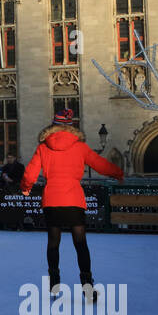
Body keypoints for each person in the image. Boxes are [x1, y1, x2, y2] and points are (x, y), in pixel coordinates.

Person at [21, 109, 123, 299]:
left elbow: (30, 172)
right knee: (80, 243)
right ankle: (87, 285)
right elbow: (100, 164)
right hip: (74, 200)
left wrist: (26, 187)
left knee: (53, 242)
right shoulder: (80, 147)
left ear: (53, 126)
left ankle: (54, 285)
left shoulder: (43, 147)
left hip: (52, 200)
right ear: (71, 126)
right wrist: (118, 173)